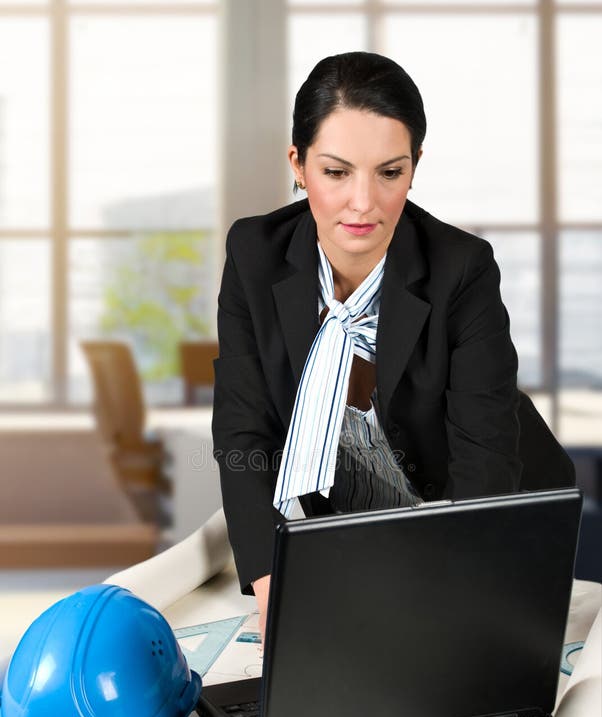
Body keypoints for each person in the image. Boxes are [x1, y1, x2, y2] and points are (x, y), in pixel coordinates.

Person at [212, 51, 574, 640]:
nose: (363, 202)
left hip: (499, 517)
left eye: (389, 172)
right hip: (366, 534)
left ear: (414, 166)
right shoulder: (255, 255)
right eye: (335, 172)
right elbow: (241, 431)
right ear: (298, 164)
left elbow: (484, 463)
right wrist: (272, 584)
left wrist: (451, 592)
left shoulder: (462, 269)